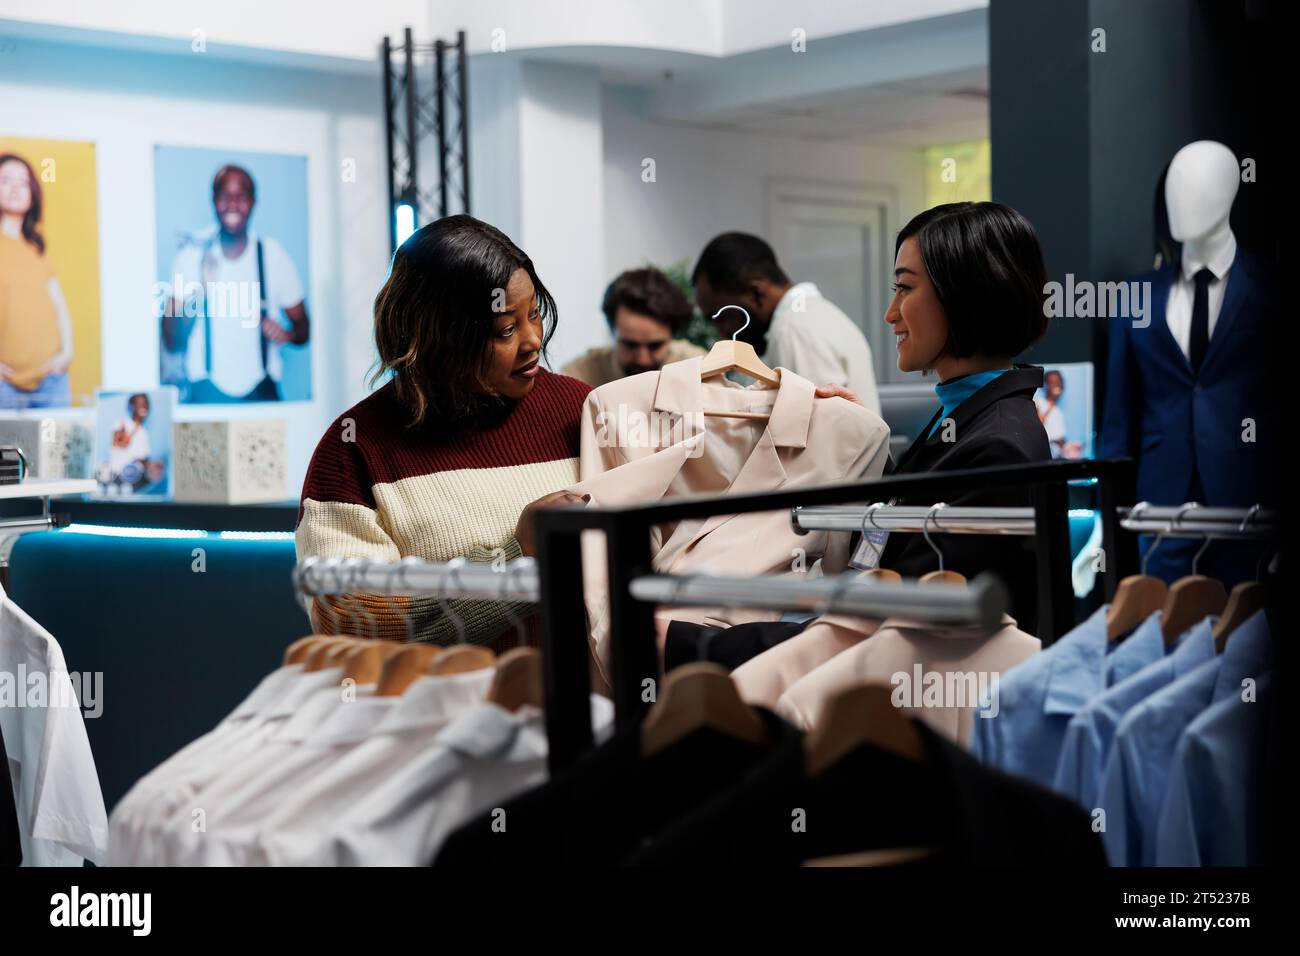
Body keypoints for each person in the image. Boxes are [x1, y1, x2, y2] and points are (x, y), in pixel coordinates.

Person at [665, 201, 1055, 667]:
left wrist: (688, 645)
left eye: (905, 289)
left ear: (963, 296)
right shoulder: (969, 418)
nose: (891, 313)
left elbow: (882, 632)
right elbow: (901, 533)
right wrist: (847, 439)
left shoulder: (995, 447)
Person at [161, 164, 309, 403]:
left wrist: (287, 334)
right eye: (224, 196)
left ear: (253, 202)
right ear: (214, 200)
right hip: (204, 392)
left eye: (241, 196)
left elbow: (304, 331)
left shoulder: (273, 255)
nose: (232, 203)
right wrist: (201, 290)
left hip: (262, 392)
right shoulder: (191, 256)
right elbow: (171, 339)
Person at [691, 232, 881, 415]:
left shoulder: (791, 330)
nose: (721, 331)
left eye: (722, 315)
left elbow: (814, 433)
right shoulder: (821, 314)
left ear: (756, 293)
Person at [0, 153, 75, 409]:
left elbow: (60, 307)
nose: (15, 189)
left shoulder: (36, 248)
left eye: (23, 182)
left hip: (51, 382)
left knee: (56, 450)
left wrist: (67, 352)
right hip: (4, 385)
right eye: (6, 180)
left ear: (32, 193)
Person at [562, 267, 704, 387]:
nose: (643, 359)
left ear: (672, 335)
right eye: (630, 345)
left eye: (655, 346)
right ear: (612, 332)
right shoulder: (580, 375)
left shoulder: (700, 369)